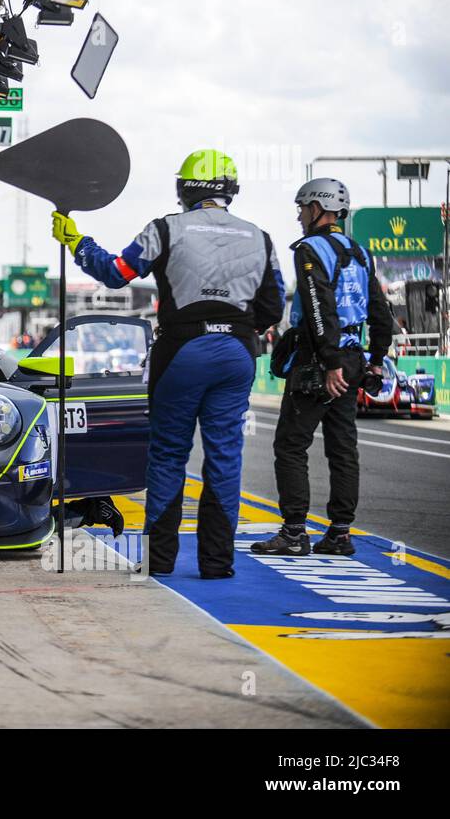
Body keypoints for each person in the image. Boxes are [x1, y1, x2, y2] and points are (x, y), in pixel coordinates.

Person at [52, 149, 284, 578]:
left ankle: (160, 561)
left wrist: (75, 241)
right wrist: (237, 327)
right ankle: (217, 564)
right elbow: (273, 306)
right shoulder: (261, 237)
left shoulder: (165, 228)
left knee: (168, 456)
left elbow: (115, 272)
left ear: (184, 189)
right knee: (225, 458)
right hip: (236, 353)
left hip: (181, 351)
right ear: (231, 191)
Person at [252, 178, 393, 558]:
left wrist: (329, 363)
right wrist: (377, 360)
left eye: (302, 208)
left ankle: (294, 532)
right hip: (353, 358)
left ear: (317, 208)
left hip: (320, 360)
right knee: (343, 448)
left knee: (291, 445)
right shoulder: (360, 252)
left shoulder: (310, 249)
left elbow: (318, 307)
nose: (298, 216)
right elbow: (381, 311)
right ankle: (340, 534)